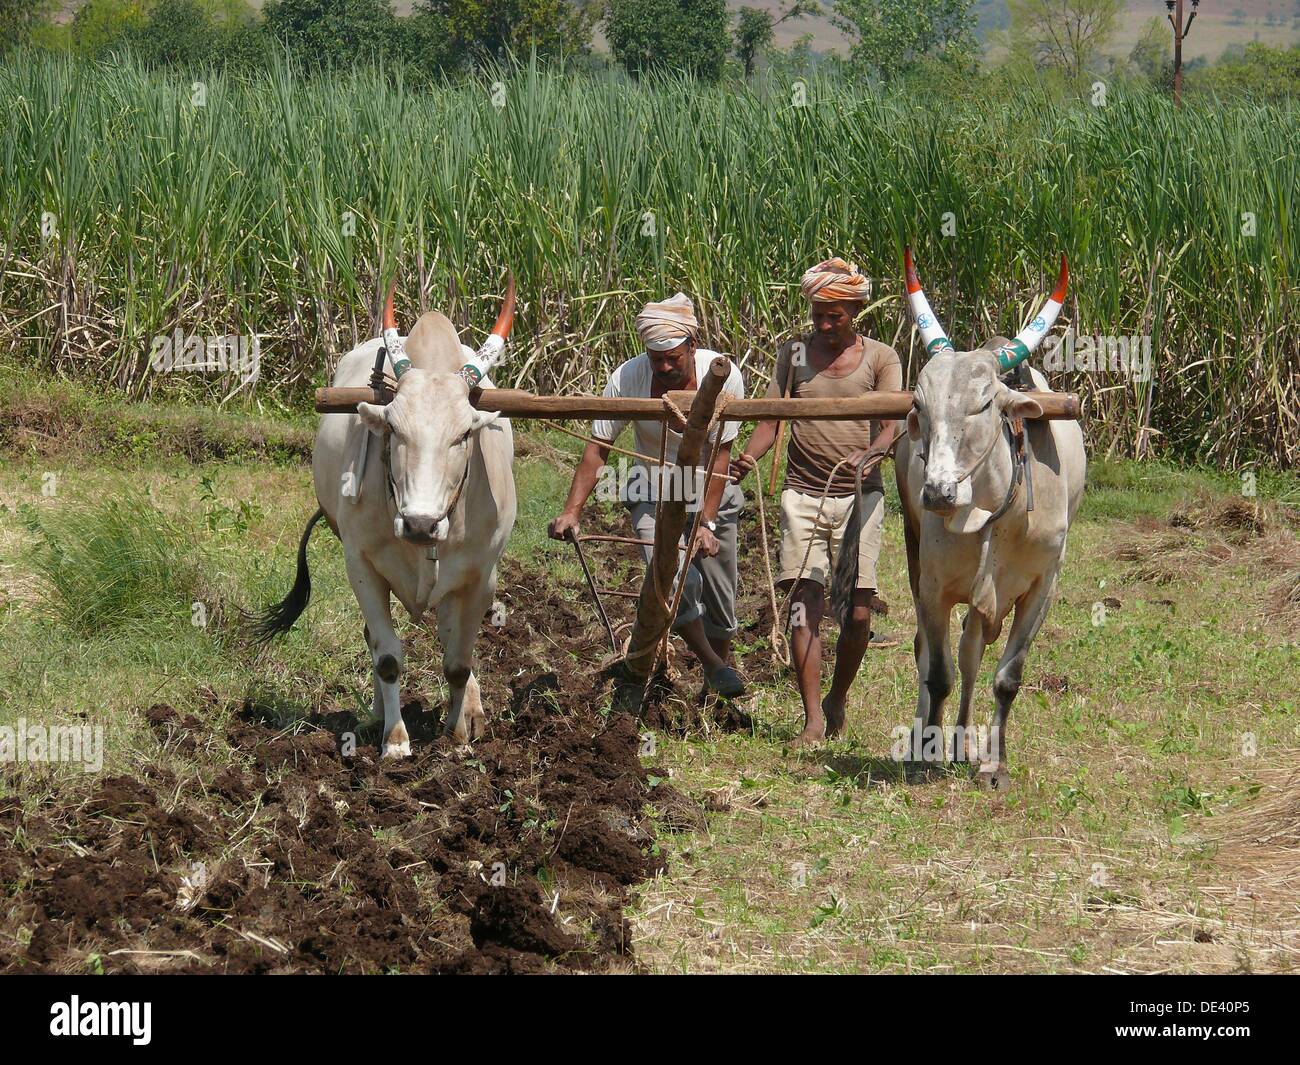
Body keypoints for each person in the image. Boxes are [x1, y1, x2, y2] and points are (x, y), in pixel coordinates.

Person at [731, 258, 902, 745]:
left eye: (836, 315)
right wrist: (748, 458)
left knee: (859, 611)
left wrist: (873, 453)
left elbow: (892, 421)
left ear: (855, 310)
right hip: (802, 493)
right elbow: (772, 418)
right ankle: (811, 718)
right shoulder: (795, 354)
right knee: (804, 605)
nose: (825, 324)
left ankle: (837, 696)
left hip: (860, 497)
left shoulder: (881, 359)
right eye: (818, 315)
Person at [549, 293, 748, 697]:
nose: (665, 366)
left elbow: (722, 456)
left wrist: (706, 523)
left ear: (693, 346)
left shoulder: (726, 376)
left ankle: (714, 689)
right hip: (653, 491)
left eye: (673, 357)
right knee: (671, 577)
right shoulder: (628, 378)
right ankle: (712, 664)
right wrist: (572, 511)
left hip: (711, 491)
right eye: (656, 359)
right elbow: (599, 446)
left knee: (722, 599)